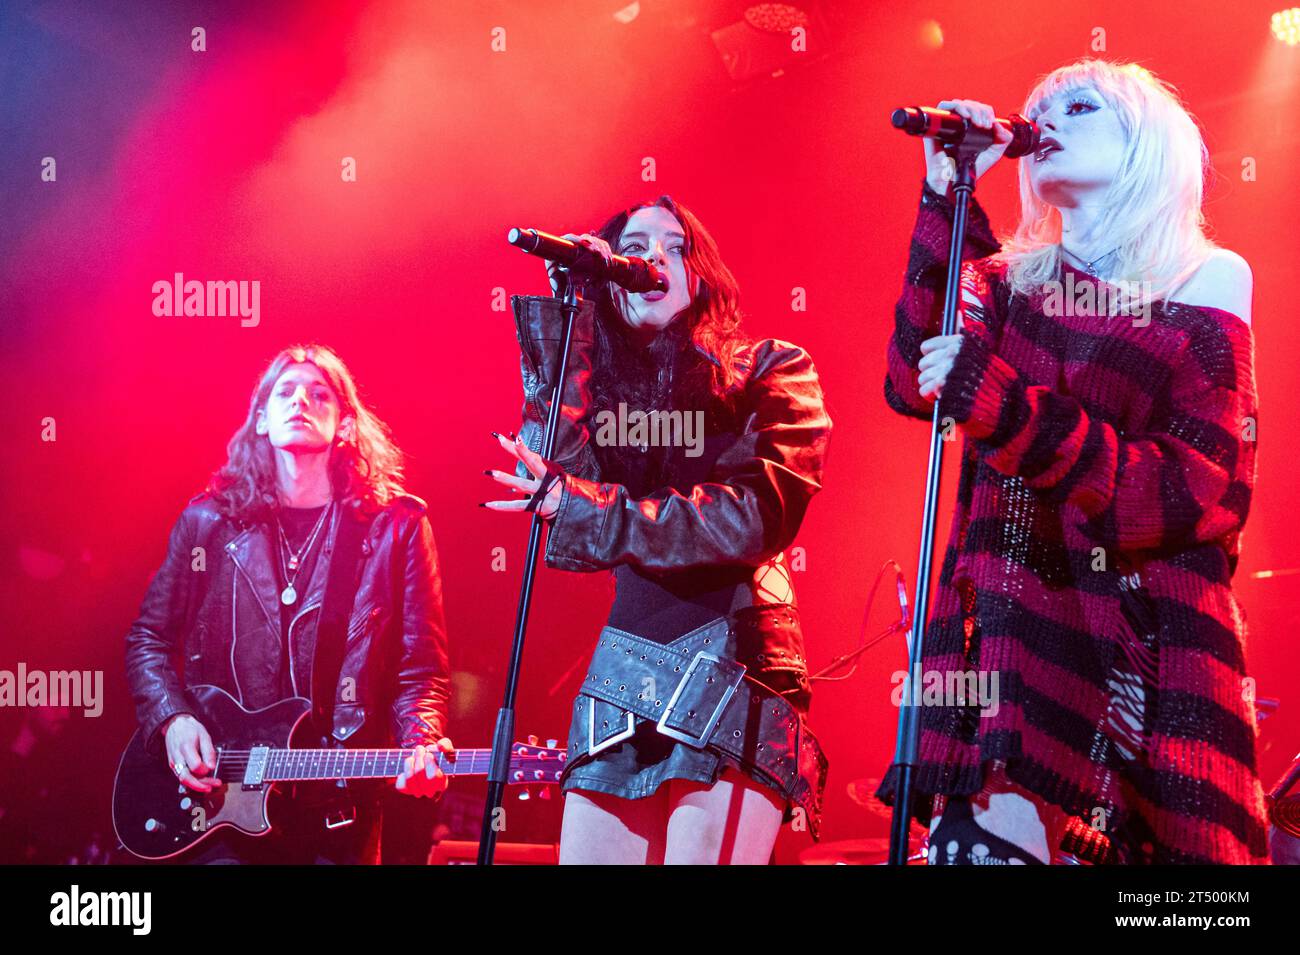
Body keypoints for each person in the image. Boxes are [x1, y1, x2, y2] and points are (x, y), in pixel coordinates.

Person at [878, 58, 1268, 864]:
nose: (1044, 121)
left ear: (1145, 143)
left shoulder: (1207, 276)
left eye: (1080, 106)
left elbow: (1194, 487)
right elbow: (915, 374)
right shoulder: (1003, 283)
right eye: (1034, 109)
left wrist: (1011, 408)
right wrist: (947, 195)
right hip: (1012, 654)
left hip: (1148, 652)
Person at [483, 196, 832, 864]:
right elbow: (561, 480)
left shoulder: (772, 368)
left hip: (735, 655)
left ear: (699, 274)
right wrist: (570, 320)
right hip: (625, 666)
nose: (653, 259)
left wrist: (590, 508)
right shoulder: (602, 392)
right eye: (635, 246)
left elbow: (758, 516)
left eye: (674, 247)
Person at [124, 344, 454, 864]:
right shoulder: (207, 524)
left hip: (337, 802)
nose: (301, 400)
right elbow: (150, 638)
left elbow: (421, 668)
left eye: (319, 393)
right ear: (261, 420)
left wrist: (420, 741)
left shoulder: (397, 529)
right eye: (286, 392)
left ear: (345, 425)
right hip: (222, 799)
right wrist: (173, 720)